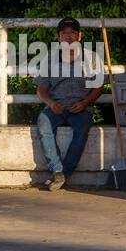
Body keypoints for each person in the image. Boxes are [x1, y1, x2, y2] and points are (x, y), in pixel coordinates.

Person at [35, 17, 104, 190]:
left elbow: (98, 88)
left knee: (82, 129)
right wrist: (50, 103)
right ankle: (57, 171)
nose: (68, 36)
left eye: (72, 32)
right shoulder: (48, 60)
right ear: (58, 37)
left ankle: (65, 173)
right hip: (56, 106)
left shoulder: (92, 58)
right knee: (43, 123)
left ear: (79, 36)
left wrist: (85, 102)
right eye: (64, 33)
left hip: (81, 107)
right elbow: (41, 89)